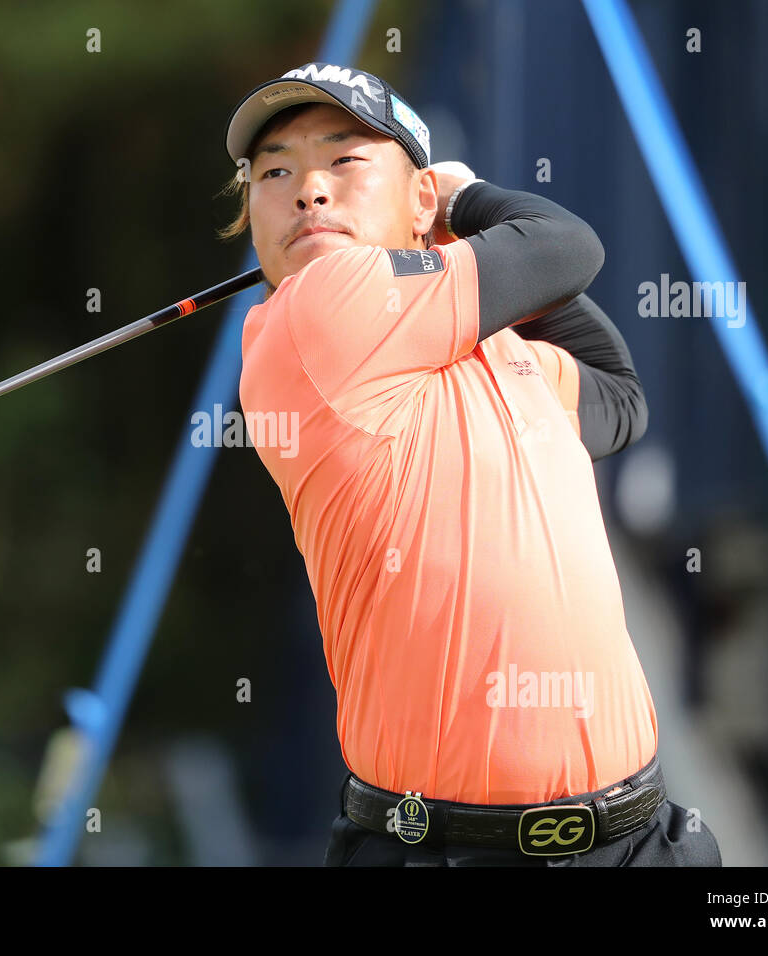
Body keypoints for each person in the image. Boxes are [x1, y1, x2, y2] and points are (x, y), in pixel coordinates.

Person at [220, 62, 721, 866]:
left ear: (416, 202)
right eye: (275, 171)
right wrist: (464, 202)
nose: (307, 190)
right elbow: (566, 245)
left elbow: (618, 401)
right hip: (451, 849)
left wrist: (450, 234)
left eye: (345, 160)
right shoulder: (317, 312)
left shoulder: (494, 348)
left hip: (638, 838)